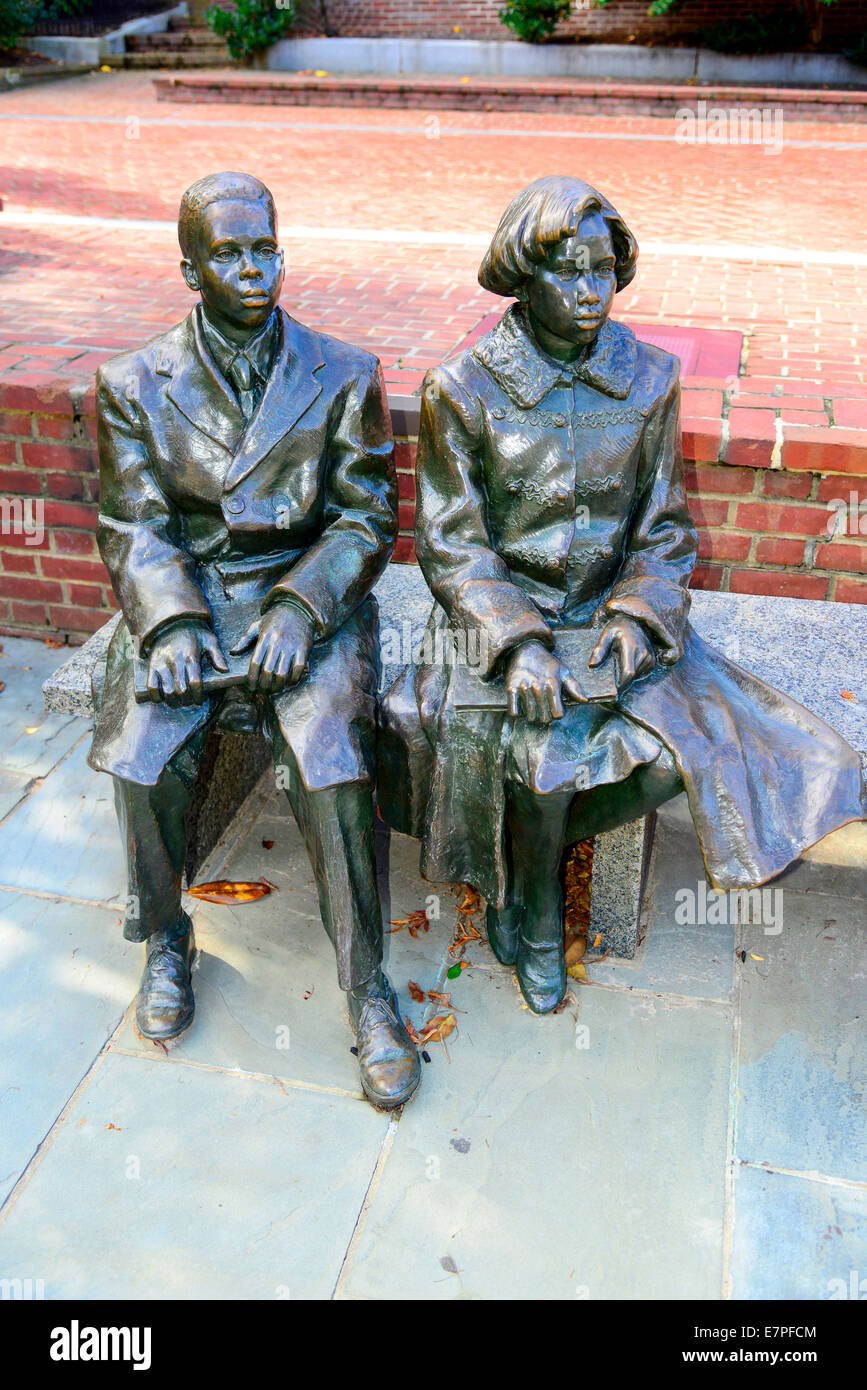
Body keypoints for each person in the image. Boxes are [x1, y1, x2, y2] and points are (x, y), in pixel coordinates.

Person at [379, 175, 865, 1014]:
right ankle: (531, 912)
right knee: (532, 753)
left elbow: (666, 529)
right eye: (567, 272)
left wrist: (638, 618)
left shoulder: (648, 379)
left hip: (609, 621)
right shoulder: (460, 390)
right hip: (492, 623)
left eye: (602, 270)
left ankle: (520, 886)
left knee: (687, 748)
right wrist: (518, 640)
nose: (589, 292)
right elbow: (453, 542)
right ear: (522, 276)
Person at [89, 171, 420, 1109]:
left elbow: (365, 520)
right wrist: (175, 621)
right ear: (189, 268)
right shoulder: (131, 383)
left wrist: (302, 607)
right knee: (142, 756)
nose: (251, 270)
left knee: (329, 764)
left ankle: (366, 990)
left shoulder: (343, 371)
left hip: (304, 602)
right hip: (191, 596)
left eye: (264, 248)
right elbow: (133, 525)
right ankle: (164, 939)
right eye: (228, 254)